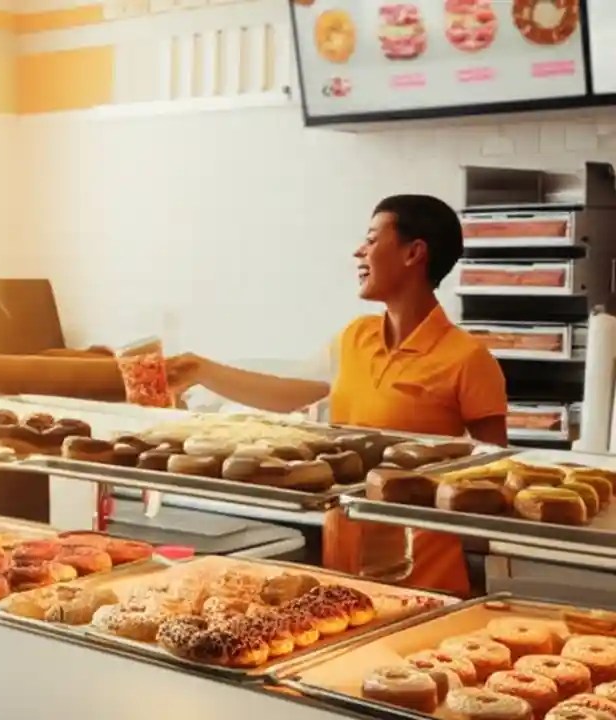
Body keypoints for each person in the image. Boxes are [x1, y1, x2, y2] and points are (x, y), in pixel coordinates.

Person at [171, 194, 507, 596]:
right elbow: (286, 394)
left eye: (372, 239)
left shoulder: (468, 358)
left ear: (413, 253)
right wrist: (202, 371)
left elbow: (493, 478)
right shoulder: (355, 337)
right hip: (344, 559)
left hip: (424, 575)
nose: (358, 252)